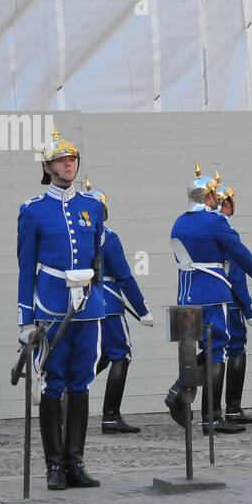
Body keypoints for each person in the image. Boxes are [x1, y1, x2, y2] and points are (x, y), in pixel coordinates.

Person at [16, 130, 105, 490]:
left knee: (81, 382)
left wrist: (94, 292)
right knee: (53, 383)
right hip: (51, 304)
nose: (69, 164)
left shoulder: (93, 206)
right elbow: (25, 267)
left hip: (86, 305)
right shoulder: (33, 210)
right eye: (61, 160)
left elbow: (98, 257)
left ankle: (75, 461)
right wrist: (25, 318)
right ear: (47, 167)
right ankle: (53, 464)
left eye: (72, 159)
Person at [166, 165, 252, 434]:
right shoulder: (216, 222)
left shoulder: (179, 222)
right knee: (218, 352)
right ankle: (211, 418)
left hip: (186, 295)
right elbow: (241, 255)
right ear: (207, 196)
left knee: (196, 352)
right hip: (213, 294)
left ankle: (178, 391)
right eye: (214, 195)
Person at [82, 178, 155, 433]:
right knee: (121, 354)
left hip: (83, 303)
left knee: (98, 356)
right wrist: (142, 308)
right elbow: (124, 276)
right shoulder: (109, 238)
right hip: (109, 303)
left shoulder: (76, 236)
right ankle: (111, 416)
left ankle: (69, 396)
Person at [213, 174, 252, 425]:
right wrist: (248, 306)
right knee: (235, 349)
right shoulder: (224, 229)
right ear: (225, 203)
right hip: (230, 301)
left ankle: (182, 392)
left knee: (212, 350)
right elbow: (236, 273)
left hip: (210, 298)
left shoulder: (204, 226)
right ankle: (232, 408)